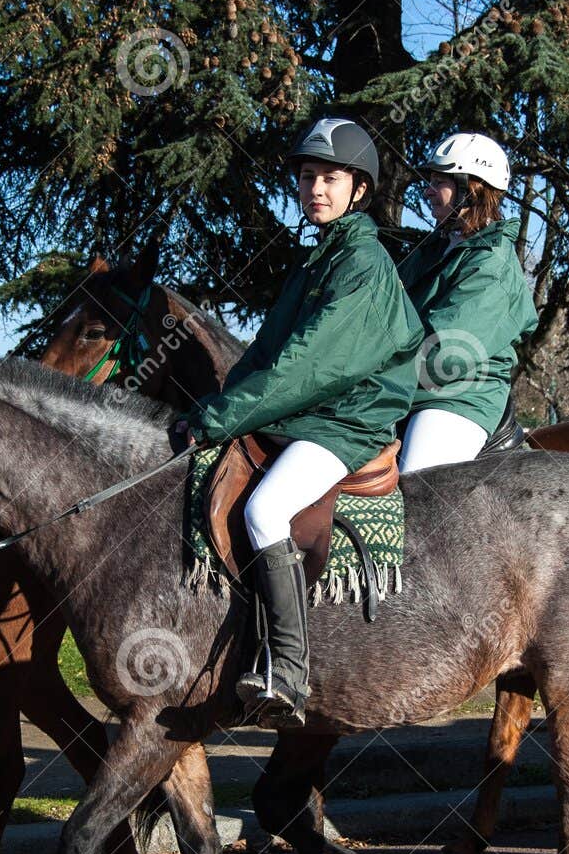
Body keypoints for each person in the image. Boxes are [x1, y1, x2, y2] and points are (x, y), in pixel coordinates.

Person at [181, 118, 424, 729]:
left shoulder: (363, 263)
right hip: (312, 412)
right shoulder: (317, 259)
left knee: (266, 510)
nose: (315, 188)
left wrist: (223, 416)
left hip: (347, 420)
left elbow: (309, 366)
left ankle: (288, 669)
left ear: (358, 190)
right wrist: (213, 409)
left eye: (330, 178)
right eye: (308, 176)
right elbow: (266, 353)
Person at [398, 132, 537, 473]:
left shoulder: (492, 264)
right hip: (407, 386)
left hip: (457, 397)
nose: (428, 191)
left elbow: (447, 352)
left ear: (471, 189)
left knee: (415, 483)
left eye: (439, 183)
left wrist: (372, 371)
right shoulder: (434, 248)